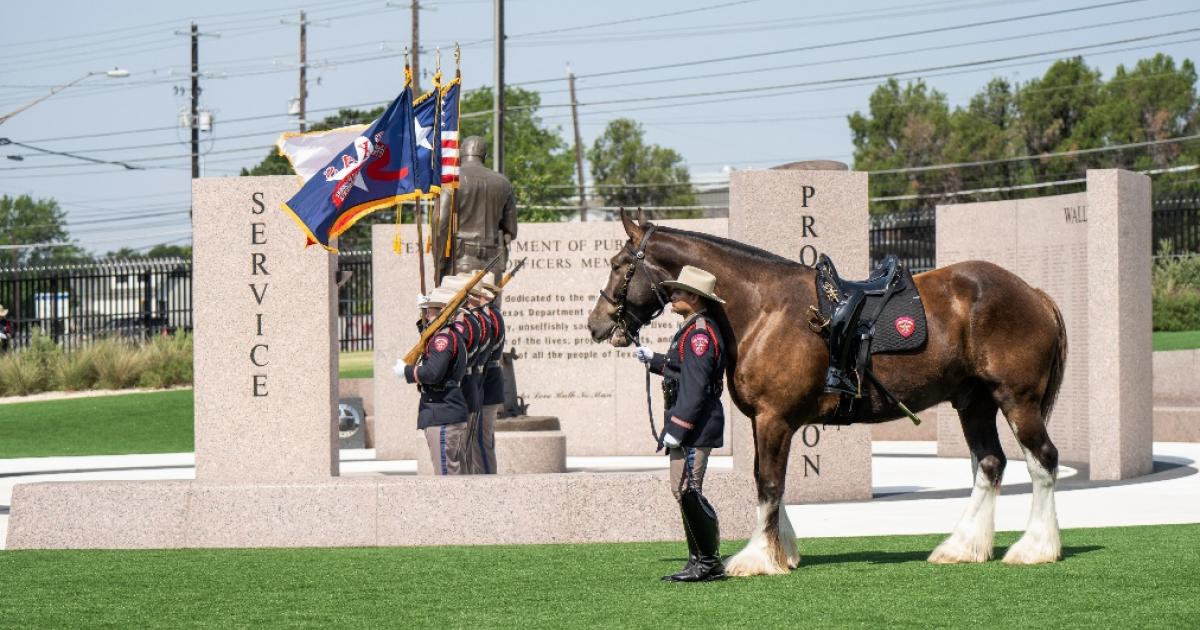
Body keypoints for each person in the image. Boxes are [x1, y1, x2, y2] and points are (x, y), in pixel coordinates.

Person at [633, 265, 728, 582]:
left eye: (678, 291)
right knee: (683, 491)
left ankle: (709, 562)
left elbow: (695, 386)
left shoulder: (699, 333)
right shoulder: (691, 329)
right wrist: (656, 360)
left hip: (694, 426)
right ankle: (698, 559)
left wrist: (677, 428)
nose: (671, 296)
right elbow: (681, 369)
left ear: (696, 298)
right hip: (689, 424)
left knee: (689, 490)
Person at [395, 287, 470, 475]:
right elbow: (428, 335)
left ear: (443, 311)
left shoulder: (442, 338)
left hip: (442, 412)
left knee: (446, 476)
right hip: (446, 409)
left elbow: (433, 373)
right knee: (452, 473)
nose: (427, 314)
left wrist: (407, 371)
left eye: (432, 309)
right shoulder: (449, 333)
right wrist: (423, 318)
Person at [436, 136, 518, 287]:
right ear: (485, 157)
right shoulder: (503, 183)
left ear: (461, 154)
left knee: (460, 310)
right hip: (493, 264)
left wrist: (439, 265)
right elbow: (511, 230)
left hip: (461, 261)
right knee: (490, 310)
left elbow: (441, 225)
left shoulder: (450, 181)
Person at [437, 274, 490, 473]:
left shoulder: (467, 323)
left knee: (460, 456)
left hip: (464, 388)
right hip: (468, 386)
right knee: (461, 455)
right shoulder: (470, 321)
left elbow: (453, 350)